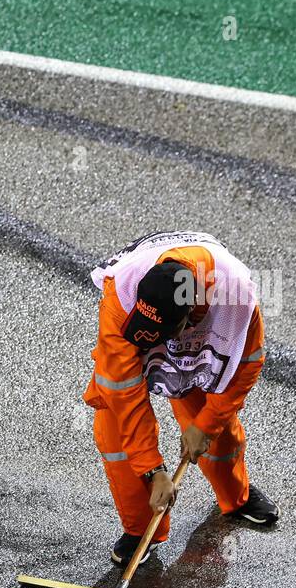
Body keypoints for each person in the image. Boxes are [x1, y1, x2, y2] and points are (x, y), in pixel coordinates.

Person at [84, 230, 279, 566]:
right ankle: (142, 531)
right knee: (114, 428)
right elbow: (122, 391)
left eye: (160, 334)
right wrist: (152, 470)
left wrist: (206, 424)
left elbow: (246, 364)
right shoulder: (123, 297)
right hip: (161, 317)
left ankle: (237, 498)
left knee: (210, 424)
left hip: (208, 322)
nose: (149, 341)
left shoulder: (236, 297)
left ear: (188, 317)